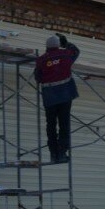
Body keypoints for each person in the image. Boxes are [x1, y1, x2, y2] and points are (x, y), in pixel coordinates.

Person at [34, 34, 79, 163]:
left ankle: (53, 154)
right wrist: (66, 43)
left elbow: (38, 77)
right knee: (64, 124)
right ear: (58, 45)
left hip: (49, 96)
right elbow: (76, 51)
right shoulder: (66, 55)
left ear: (47, 47)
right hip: (65, 94)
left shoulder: (41, 59)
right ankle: (62, 153)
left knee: (51, 125)